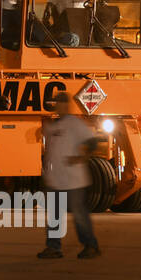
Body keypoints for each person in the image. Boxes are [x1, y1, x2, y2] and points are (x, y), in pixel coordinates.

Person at [37, 91, 101, 258]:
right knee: (54, 216)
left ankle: (91, 245)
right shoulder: (51, 125)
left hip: (74, 180)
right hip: (55, 179)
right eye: (58, 103)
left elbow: (93, 142)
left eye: (64, 103)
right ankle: (53, 247)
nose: (61, 106)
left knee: (79, 214)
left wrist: (82, 157)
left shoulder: (75, 123)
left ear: (67, 105)